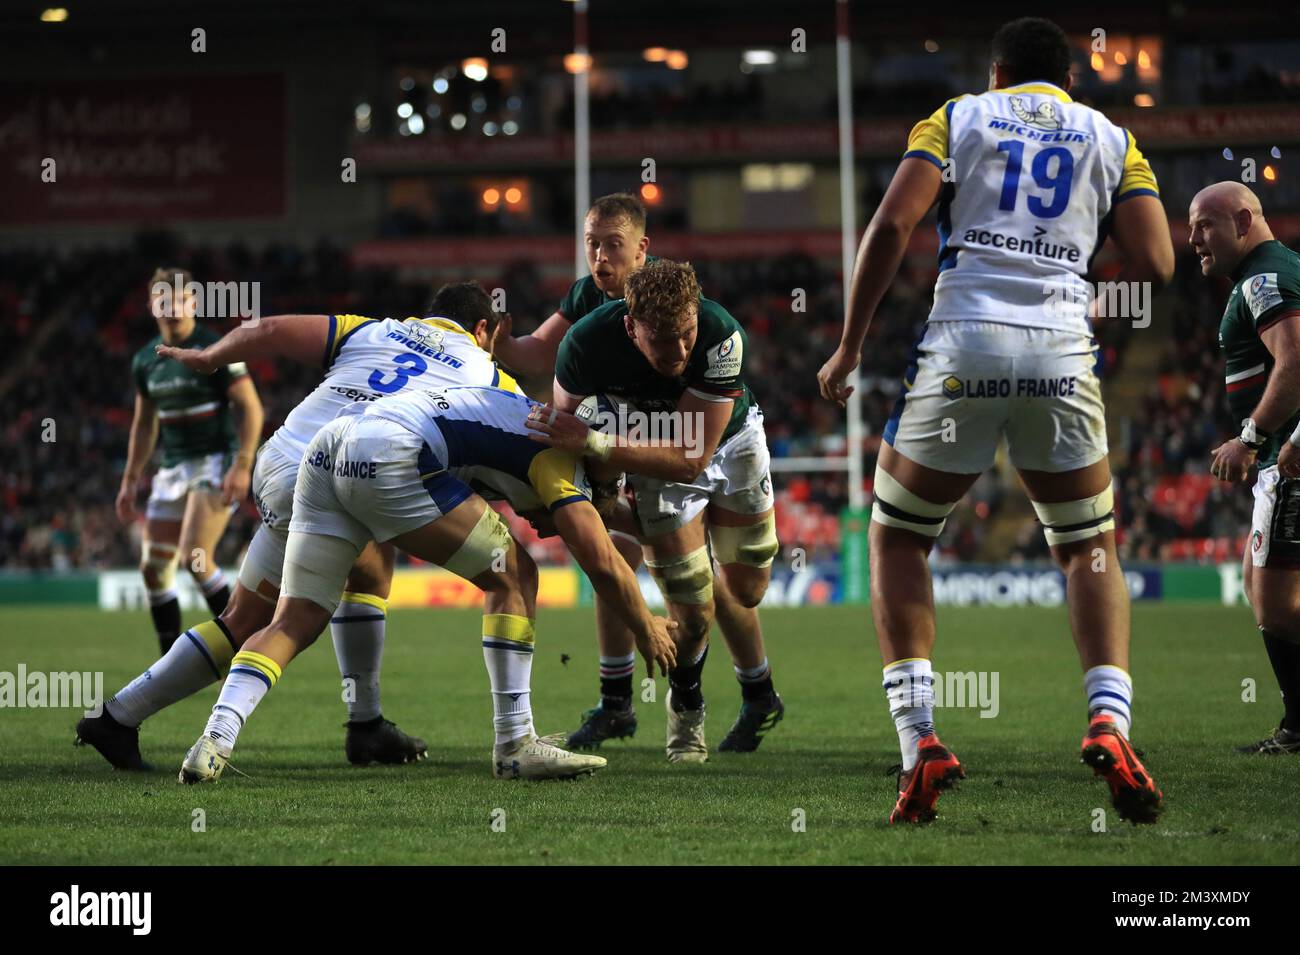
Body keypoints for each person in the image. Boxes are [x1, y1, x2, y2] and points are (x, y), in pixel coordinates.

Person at [816, 16, 1174, 823]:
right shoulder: (1114, 137)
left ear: (997, 73)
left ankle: (921, 743)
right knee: (1087, 545)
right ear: (1070, 81)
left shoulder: (958, 116)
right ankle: (1109, 722)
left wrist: (848, 347)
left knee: (900, 534)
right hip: (1059, 351)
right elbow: (1155, 262)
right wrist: (1080, 280)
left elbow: (892, 226)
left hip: (964, 343)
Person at [77, 284, 512, 771]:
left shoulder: (373, 329)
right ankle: (237, 735)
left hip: (282, 459)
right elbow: (518, 437)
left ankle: (115, 718)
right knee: (295, 620)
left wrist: (211, 356)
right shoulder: (486, 372)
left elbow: (271, 327)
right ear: (482, 330)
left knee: (269, 609)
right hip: (342, 472)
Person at [179, 384, 677, 783]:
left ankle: (214, 740)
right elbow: (601, 561)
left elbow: (577, 516)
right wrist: (646, 626)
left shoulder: (520, 416)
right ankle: (515, 744)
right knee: (516, 575)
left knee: (296, 618)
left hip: (329, 447)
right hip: (391, 450)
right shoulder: (561, 459)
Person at [498, 194, 786, 754]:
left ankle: (755, 689)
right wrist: (576, 498)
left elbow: (692, 454)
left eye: (614, 245)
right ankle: (652, 704)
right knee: (645, 574)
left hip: (721, 442)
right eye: (593, 244)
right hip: (640, 453)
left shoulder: (718, 333)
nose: (680, 349)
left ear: (643, 251)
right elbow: (563, 428)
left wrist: (598, 446)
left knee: (745, 589)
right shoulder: (583, 336)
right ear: (630, 328)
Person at [1192, 181, 1300, 755]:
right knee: (1260, 588)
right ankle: (1297, 727)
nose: (1193, 240)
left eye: (1203, 226)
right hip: (1280, 457)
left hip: (1289, 456)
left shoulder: (1263, 278)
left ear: (1242, 220)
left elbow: (1297, 359)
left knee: (1276, 603)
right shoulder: (1268, 274)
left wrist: (1252, 437)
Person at [118, 267, 264, 653]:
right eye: (163, 301)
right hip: (172, 470)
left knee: (195, 559)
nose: (172, 308)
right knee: (153, 569)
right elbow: (144, 424)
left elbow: (251, 409)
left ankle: (246, 645)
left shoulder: (216, 348)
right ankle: (169, 659)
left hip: (215, 463)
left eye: (179, 300)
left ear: (194, 303)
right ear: (152, 306)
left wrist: (243, 464)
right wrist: (130, 478)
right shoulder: (145, 361)